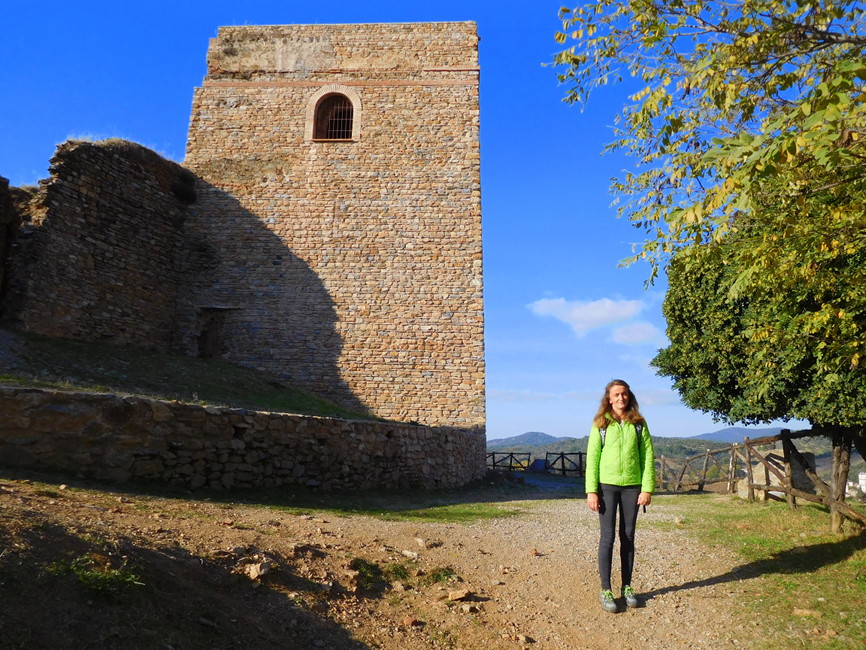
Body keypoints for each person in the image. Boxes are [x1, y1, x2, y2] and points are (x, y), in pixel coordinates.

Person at [585, 379, 655, 613]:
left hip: (632, 487)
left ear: (629, 396)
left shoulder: (639, 424)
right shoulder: (601, 424)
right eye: (616, 394)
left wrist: (647, 488)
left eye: (624, 394)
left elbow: (647, 457)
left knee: (628, 537)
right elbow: (593, 457)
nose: (620, 398)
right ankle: (606, 589)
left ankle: (627, 587)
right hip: (607, 487)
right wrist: (591, 491)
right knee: (607, 538)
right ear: (609, 398)